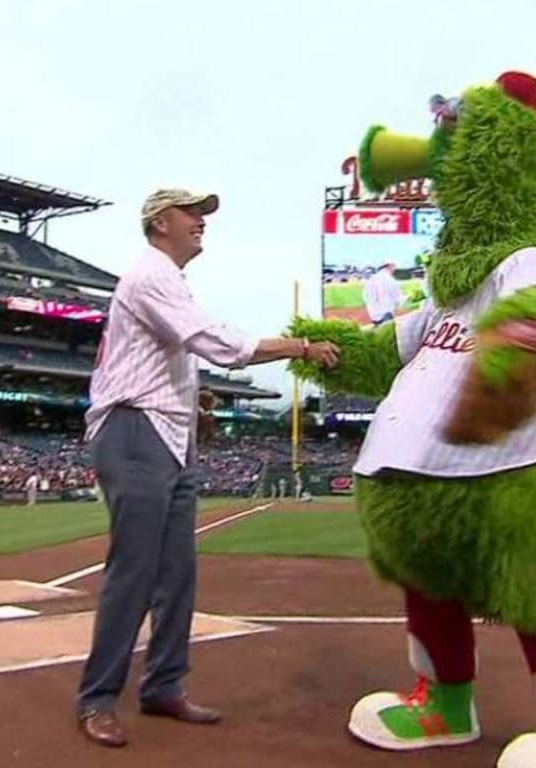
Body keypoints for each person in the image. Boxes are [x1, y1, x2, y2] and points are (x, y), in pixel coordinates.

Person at [74, 188, 339, 748]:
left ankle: (163, 685)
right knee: (135, 569)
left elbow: (172, 356)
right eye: (191, 213)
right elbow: (214, 342)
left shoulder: (169, 278)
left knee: (177, 573)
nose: (201, 222)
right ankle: (97, 698)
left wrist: (193, 410)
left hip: (168, 433)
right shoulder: (152, 273)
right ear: (160, 222)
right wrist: (298, 346)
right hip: (135, 429)